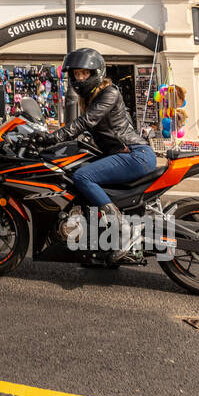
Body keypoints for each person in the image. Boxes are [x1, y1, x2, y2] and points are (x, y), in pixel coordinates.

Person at [41, 48, 155, 262]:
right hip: (125, 154)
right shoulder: (94, 97)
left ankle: (122, 230)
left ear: (96, 73)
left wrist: (53, 137)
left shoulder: (109, 92)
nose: (79, 78)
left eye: (84, 73)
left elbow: (86, 122)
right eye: (76, 74)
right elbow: (90, 132)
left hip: (135, 154)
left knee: (83, 177)